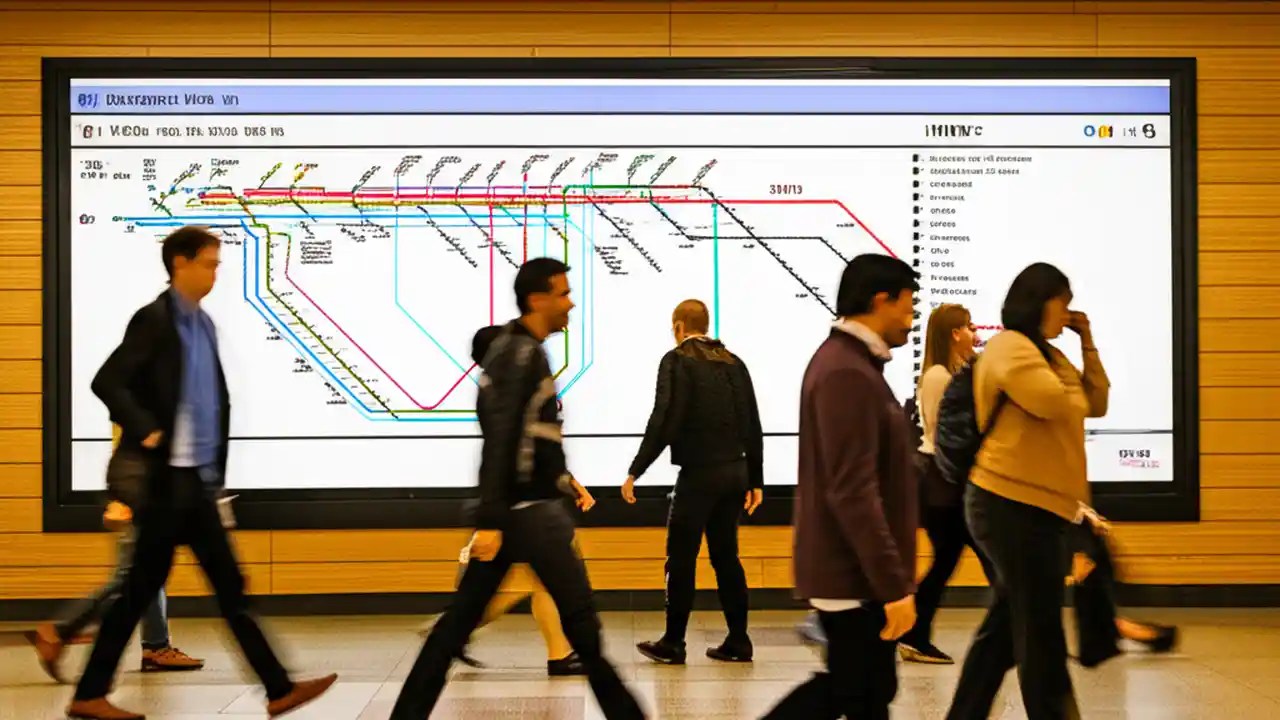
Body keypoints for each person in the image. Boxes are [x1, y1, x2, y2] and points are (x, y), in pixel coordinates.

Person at [67, 225, 337, 720]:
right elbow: (107, 381)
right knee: (166, 590)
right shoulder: (154, 320)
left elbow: (210, 403)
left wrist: (214, 476)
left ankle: (276, 688)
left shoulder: (202, 324)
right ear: (180, 264)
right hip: (167, 482)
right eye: (209, 263)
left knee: (208, 588)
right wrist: (147, 430)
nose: (216, 272)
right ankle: (275, 688)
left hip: (193, 481)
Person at [390, 258, 646, 720]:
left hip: (523, 511)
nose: (570, 303)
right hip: (527, 515)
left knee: (458, 628)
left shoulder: (523, 350)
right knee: (582, 630)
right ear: (537, 299)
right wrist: (490, 520)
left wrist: (558, 483)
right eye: (563, 294)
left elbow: (530, 439)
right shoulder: (518, 354)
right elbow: (502, 440)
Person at [946, 262, 1109, 720]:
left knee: (1005, 627)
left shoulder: (1049, 355)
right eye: (1064, 302)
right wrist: (1073, 387)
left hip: (1039, 506)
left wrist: (1087, 343)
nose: (1069, 313)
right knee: (1040, 630)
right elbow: (1056, 403)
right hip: (1007, 503)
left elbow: (1096, 402)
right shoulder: (1010, 348)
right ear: (1041, 301)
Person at [761, 254, 920, 720]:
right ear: (880, 300)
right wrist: (893, 586)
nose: (911, 319)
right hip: (851, 573)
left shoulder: (853, 365)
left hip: (857, 572)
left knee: (866, 691)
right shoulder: (847, 372)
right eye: (908, 307)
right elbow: (852, 490)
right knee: (854, 692)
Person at [426, 324, 596, 678]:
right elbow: (516, 453)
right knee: (506, 589)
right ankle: (450, 633)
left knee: (503, 589)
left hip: (514, 509)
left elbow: (537, 452)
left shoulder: (499, 389)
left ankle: (451, 633)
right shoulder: (506, 392)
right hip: (522, 511)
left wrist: (569, 482)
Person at [623, 299, 764, 666]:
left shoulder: (677, 360)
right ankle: (738, 640)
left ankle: (673, 642)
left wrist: (636, 469)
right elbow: (753, 423)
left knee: (681, 559)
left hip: (699, 474)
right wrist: (757, 479)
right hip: (736, 472)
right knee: (726, 557)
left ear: (678, 326)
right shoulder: (735, 362)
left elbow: (665, 419)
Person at [27, 426, 204, 684]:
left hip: (150, 490)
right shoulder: (141, 396)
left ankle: (156, 645)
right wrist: (122, 499)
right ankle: (60, 630)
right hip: (139, 491)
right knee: (131, 574)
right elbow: (134, 442)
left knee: (150, 569)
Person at [898, 303, 987, 665]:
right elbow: (945, 431)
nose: (974, 334)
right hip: (943, 482)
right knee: (984, 558)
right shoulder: (938, 376)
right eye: (968, 327)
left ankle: (914, 634)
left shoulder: (954, 372)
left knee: (948, 560)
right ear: (954, 333)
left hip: (948, 482)